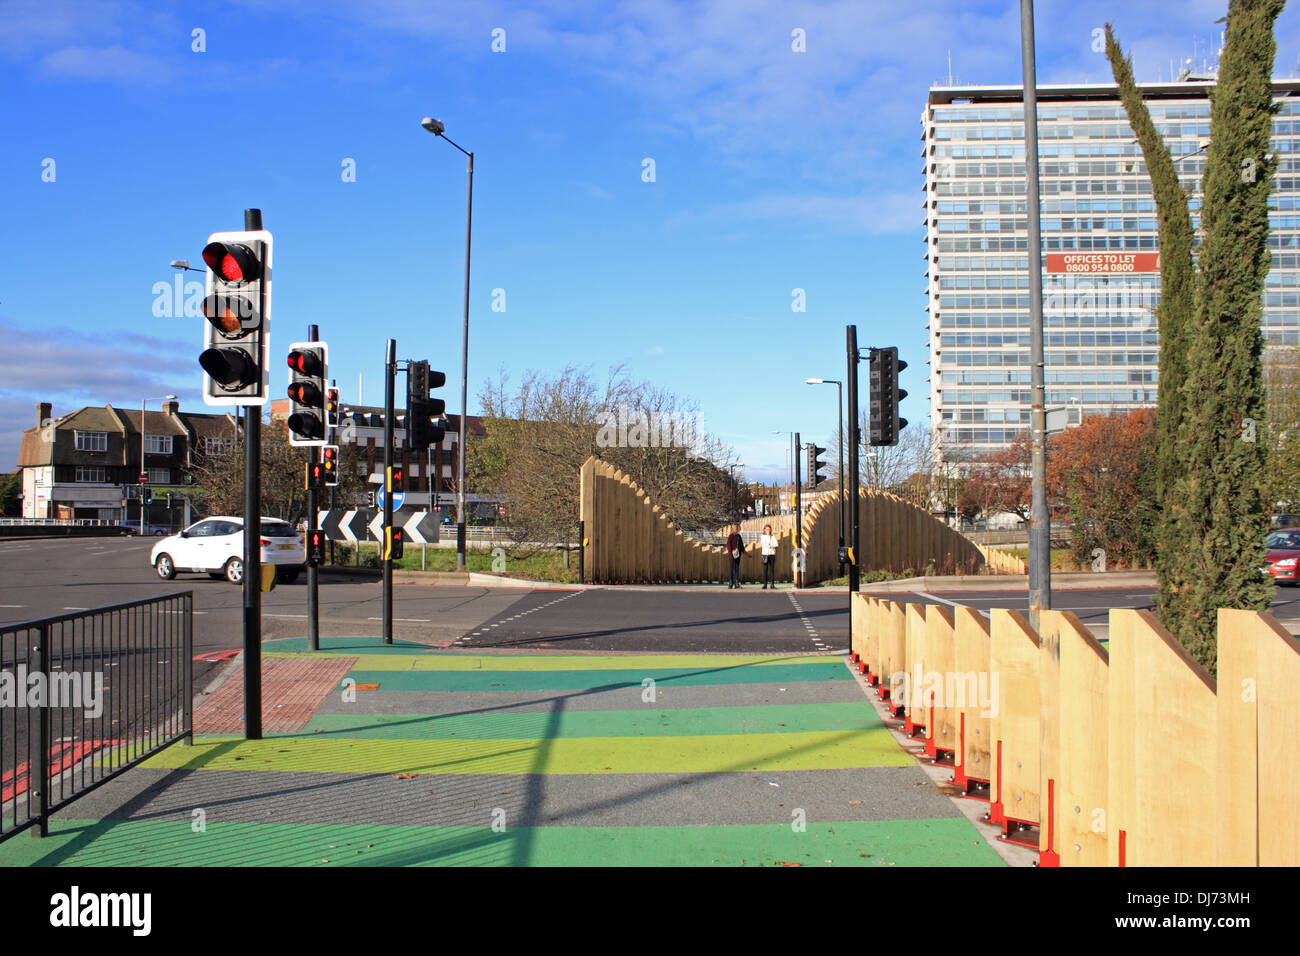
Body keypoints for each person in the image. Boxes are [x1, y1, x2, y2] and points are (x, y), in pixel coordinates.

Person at [726, 523, 745, 589]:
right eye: (737, 528)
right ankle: (730, 583)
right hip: (732, 555)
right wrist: (730, 555)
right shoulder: (731, 536)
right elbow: (728, 546)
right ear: (734, 528)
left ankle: (736, 583)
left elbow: (741, 546)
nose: (738, 529)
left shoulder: (739, 536)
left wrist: (746, 553)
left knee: (737, 569)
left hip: (737, 555)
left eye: (738, 528)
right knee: (731, 569)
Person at [759, 523, 777, 589]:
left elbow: (776, 544)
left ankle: (772, 584)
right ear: (764, 530)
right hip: (765, 554)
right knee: (765, 569)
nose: (768, 530)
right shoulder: (763, 536)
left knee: (772, 569)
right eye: (767, 529)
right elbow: (764, 544)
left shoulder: (773, 536)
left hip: (772, 554)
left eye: (769, 529)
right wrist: (771, 545)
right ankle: (765, 584)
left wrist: (770, 545)